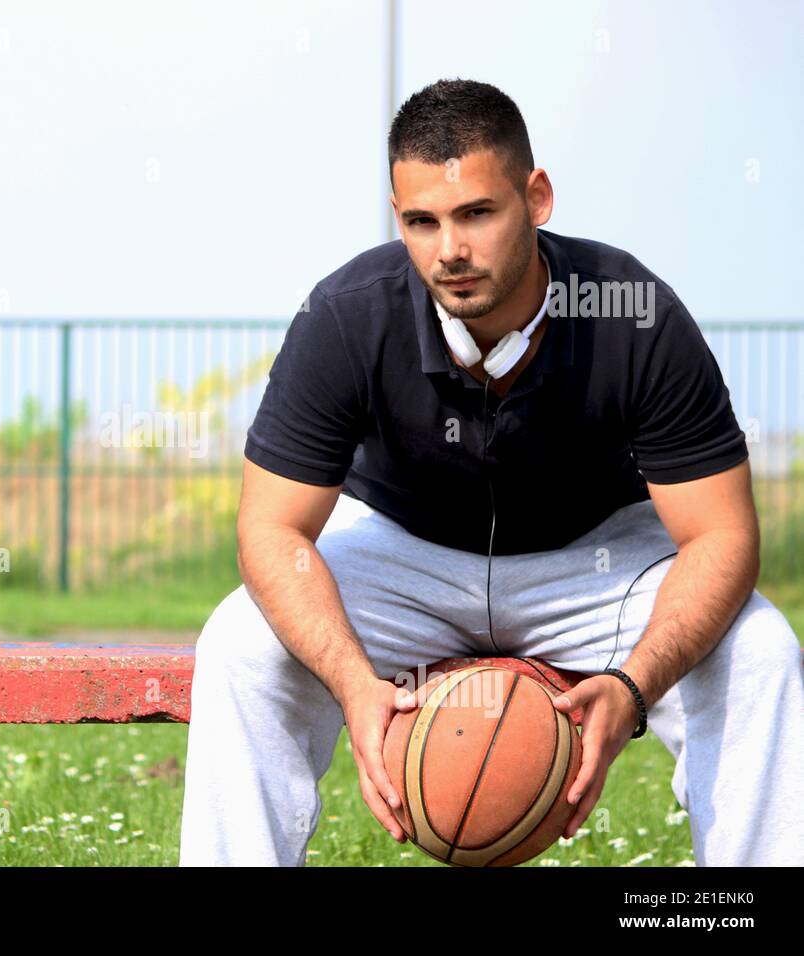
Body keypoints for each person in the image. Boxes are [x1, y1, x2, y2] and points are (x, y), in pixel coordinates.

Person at [178, 78, 804, 867]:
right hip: (404, 554)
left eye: (477, 212)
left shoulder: (634, 313)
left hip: (594, 561)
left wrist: (635, 685)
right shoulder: (346, 314)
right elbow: (271, 529)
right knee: (240, 642)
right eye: (421, 221)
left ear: (536, 198)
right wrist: (352, 680)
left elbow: (721, 537)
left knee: (758, 651)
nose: (450, 250)